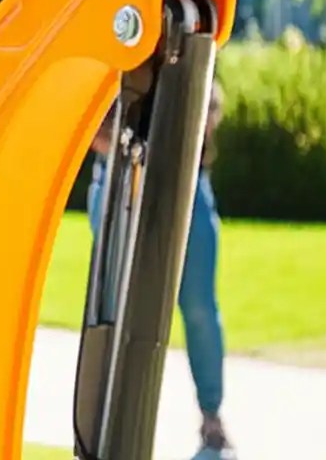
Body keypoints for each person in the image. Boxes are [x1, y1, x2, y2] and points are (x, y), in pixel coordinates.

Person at [86, 78, 234, 459]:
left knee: (199, 308)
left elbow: (210, 98)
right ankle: (109, 424)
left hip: (185, 187)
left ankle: (212, 418)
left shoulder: (184, 24)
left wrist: (196, 119)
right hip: (118, 182)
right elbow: (87, 120)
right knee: (115, 309)